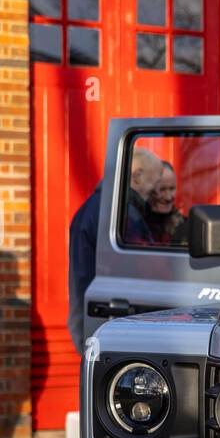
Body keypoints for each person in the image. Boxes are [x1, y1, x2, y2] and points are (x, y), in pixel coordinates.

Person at [67, 147, 162, 354]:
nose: (154, 196)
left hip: (93, 326)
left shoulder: (90, 210)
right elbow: (145, 275)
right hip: (115, 327)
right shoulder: (125, 217)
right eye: (153, 187)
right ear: (136, 176)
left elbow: (79, 278)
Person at [144, 161, 187, 248]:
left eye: (172, 189)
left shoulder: (186, 227)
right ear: (147, 189)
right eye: (162, 189)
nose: (168, 197)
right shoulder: (134, 225)